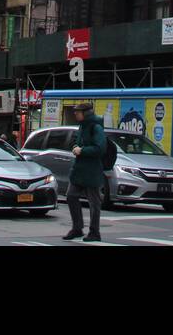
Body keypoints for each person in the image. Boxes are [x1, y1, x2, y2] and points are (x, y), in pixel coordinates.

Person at [63, 103, 106, 242]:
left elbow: (100, 148)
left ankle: (95, 232)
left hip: (92, 170)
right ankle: (77, 228)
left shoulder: (96, 127)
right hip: (79, 169)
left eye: (78, 112)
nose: (75, 114)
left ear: (86, 113)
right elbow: (75, 141)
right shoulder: (82, 126)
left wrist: (82, 150)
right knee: (71, 196)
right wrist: (75, 146)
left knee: (94, 202)